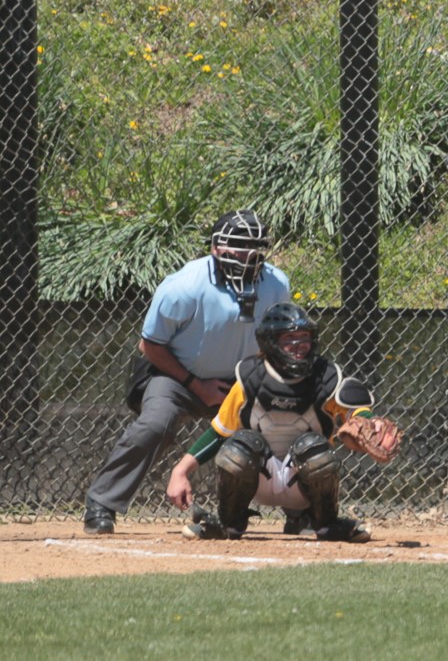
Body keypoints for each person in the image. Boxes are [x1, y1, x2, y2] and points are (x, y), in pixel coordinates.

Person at [83, 209, 291, 534]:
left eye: (254, 247)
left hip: (241, 382)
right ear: (216, 248)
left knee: (287, 423)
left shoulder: (276, 284)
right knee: (156, 424)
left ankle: (301, 512)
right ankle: (101, 503)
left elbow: (277, 339)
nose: (248, 256)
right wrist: (196, 384)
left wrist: (260, 385)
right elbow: (149, 346)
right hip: (177, 377)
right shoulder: (184, 285)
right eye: (238, 247)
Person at [166, 302, 395, 542]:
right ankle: (229, 524)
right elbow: (218, 433)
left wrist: (370, 422)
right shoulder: (250, 377)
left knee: (312, 446)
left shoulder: (325, 376)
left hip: (304, 481)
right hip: (257, 479)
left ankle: (326, 525)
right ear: (270, 343)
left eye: (304, 337)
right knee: (239, 446)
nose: (299, 346)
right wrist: (180, 471)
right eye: (289, 339)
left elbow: (356, 412)